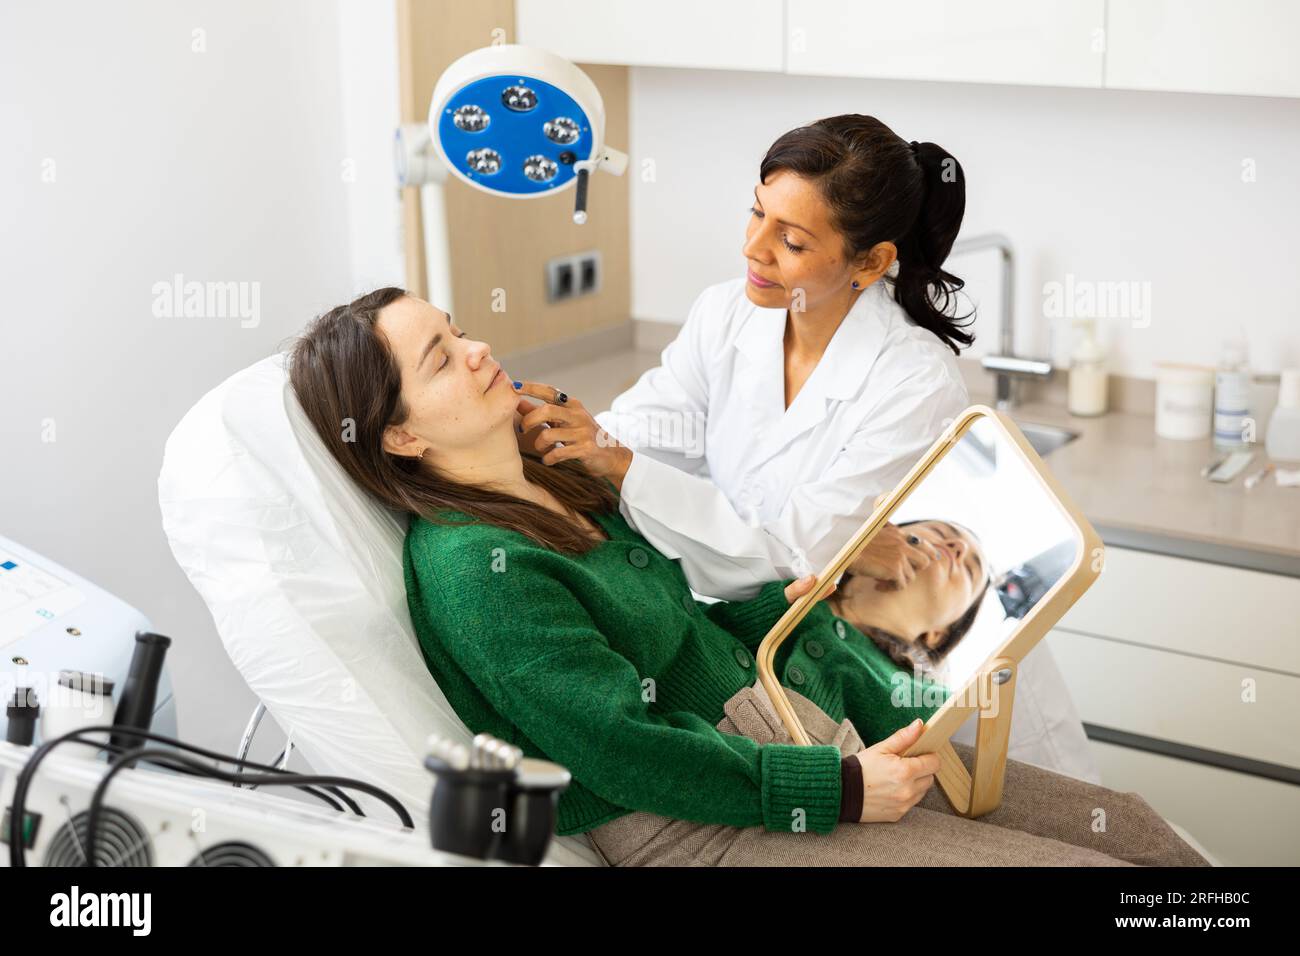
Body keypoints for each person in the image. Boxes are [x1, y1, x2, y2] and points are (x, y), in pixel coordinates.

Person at [285, 287, 1210, 867]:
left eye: (457, 331)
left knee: (1129, 830)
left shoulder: (552, 483)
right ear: (399, 435)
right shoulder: (477, 572)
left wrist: (787, 603)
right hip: (701, 819)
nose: (480, 350)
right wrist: (835, 792)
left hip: (788, 725)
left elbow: (679, 621)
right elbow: (620, 748)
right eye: (444, 359)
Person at [510, 114, 973, 602]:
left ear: (871, 261)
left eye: (791, 241)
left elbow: (793, 558)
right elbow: (655, 429)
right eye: (757, 213)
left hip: (833, 632)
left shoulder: (917, 385)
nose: (752, 248)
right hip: (723, 601)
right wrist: (557, 438)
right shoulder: (727, 311)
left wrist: (620, 464)